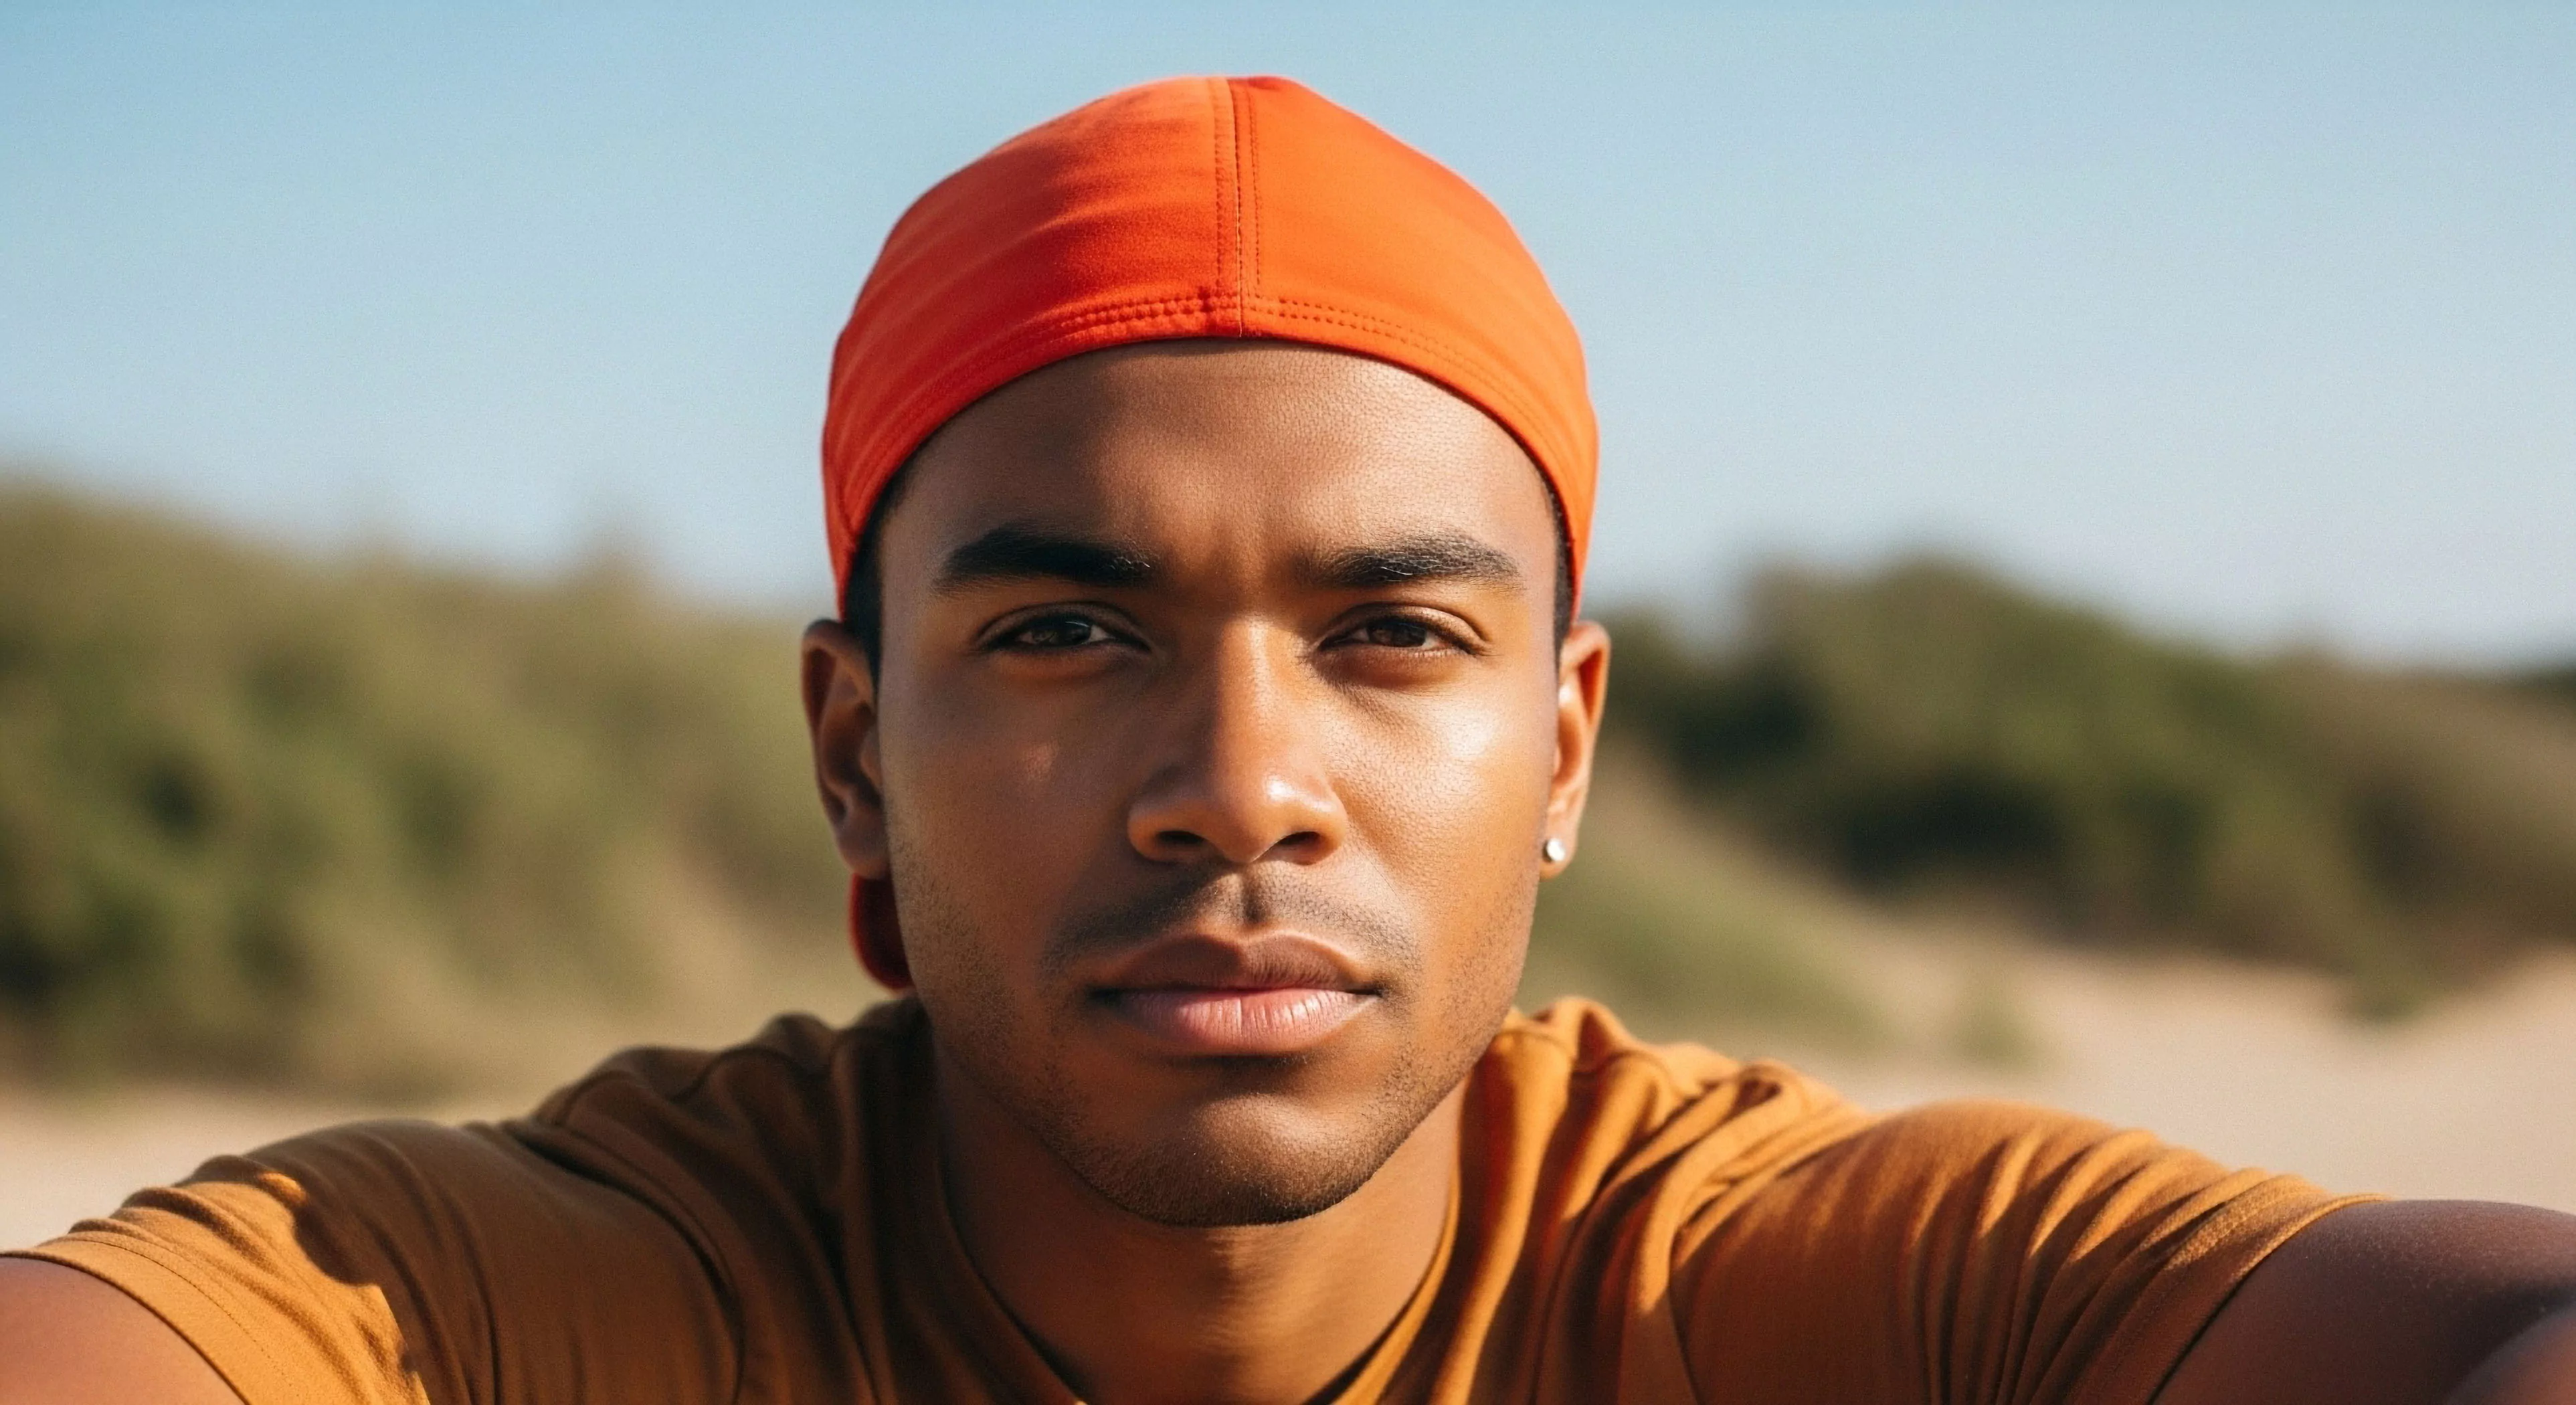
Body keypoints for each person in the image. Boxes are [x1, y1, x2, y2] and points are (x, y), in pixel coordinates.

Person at [2, 74, 2573, 1405]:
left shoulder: (1782, 1287)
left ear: (1563, 745)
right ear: (851, 750)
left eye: (1386, 635)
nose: (1240, 781)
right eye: (1060, 634)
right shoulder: (571, 1293)